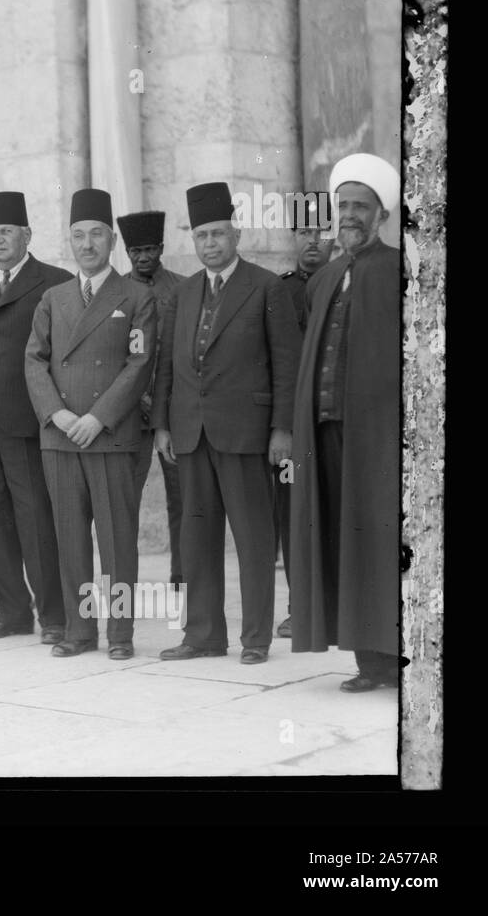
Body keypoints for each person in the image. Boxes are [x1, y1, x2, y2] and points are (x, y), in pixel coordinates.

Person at [153, 182, 301, 665]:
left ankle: (255, 638)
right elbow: (167, 366)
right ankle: (203, 635)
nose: (210, 243)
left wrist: (282, 430)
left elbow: (286, 364)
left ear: (235, 234)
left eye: (218, 233)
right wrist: (163, 426)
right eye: (201, 236)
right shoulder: (183, 292)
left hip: (246, 434)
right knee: (196, 538)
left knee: (255, 538)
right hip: (191, 434)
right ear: (193, 241)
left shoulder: (266, 287)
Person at [26, 189, 156, 659]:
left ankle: (120, 635)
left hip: (111, 437)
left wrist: (98, 417)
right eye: (78, 235)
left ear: (112, 240)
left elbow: (140, 363)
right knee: (71, 542)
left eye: (96, 234)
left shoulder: (136, 297)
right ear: (70, 240)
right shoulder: (53, 297)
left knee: (118, 544)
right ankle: (80, 633)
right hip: (60, 439)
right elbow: (33, 361)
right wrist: (58, 415)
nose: (87, 244)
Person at [289, 154, 402, 693]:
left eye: (361, 206)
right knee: (341, 539)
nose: (350, 214)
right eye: (344, 205)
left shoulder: (403, 268)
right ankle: (366, 660)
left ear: (380, 214)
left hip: (379, 437)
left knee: (380, 541)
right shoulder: (325, 277)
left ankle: (395, 655)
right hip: (326, 430)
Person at [0, 191, 71, 642]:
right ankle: (11, 611)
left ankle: (54, 615)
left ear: (27, 235)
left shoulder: (53, 282)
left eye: (5, 231)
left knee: (35, 518)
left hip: (26, 423)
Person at [274, 195, 337, 638]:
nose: (311, 241)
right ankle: (300, 606)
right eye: (303, 233)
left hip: (335, 424)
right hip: (294, 429)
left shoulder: (345, 282)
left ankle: (340, 606)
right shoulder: (279, 291)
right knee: (292, 513)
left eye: (320, 232)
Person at [117, 210, 185, 588]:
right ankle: (125, 578)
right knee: (126, 498)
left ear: (161, 248)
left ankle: (182, 574)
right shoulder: (117, 291)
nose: (142, 257)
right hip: (130, 411)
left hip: (173, 410)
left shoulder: (182, 288)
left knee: (182, 495)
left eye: (149, 249)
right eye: (135, 250)